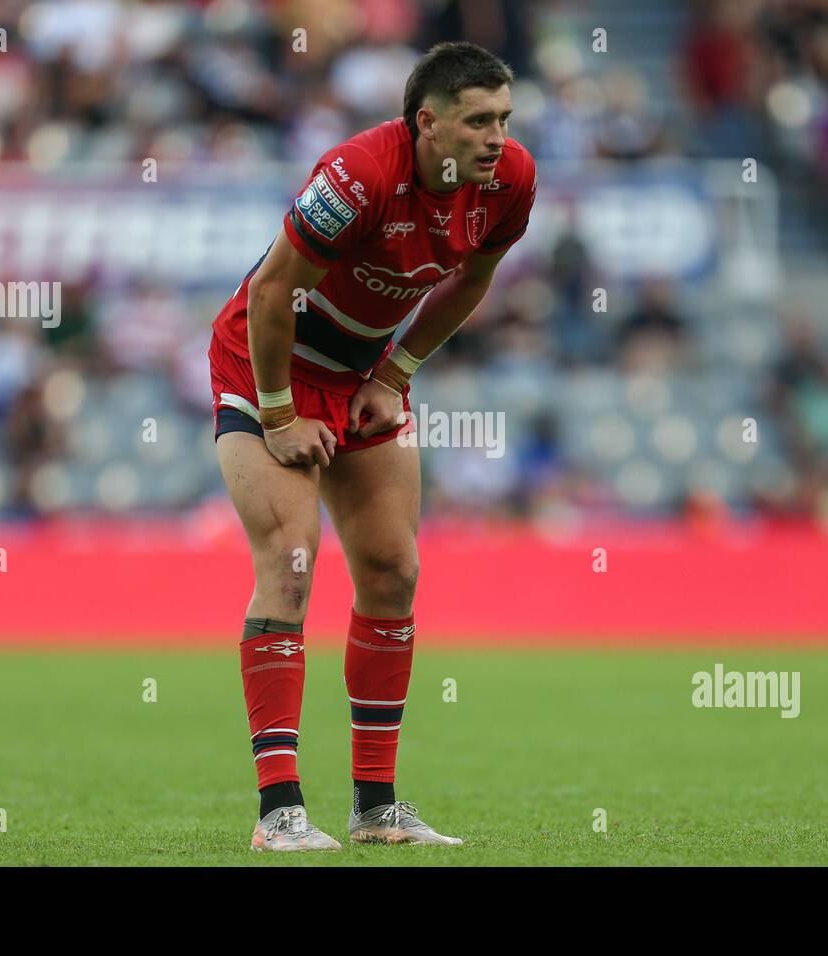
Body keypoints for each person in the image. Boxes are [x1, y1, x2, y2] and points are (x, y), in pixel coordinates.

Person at [207, 41, 537, 851]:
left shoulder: (512, 182)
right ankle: (279, 812)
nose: (496, 138)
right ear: (428, 123)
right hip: (265, 358)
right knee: (291, 562)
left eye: (504, 119)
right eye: (477, 121)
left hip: (360, 372)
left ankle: (376, 806)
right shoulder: (358, 175)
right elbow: (274, 291)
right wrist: (281, 417)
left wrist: (395, 374)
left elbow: (472, 280)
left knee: (395, 569)